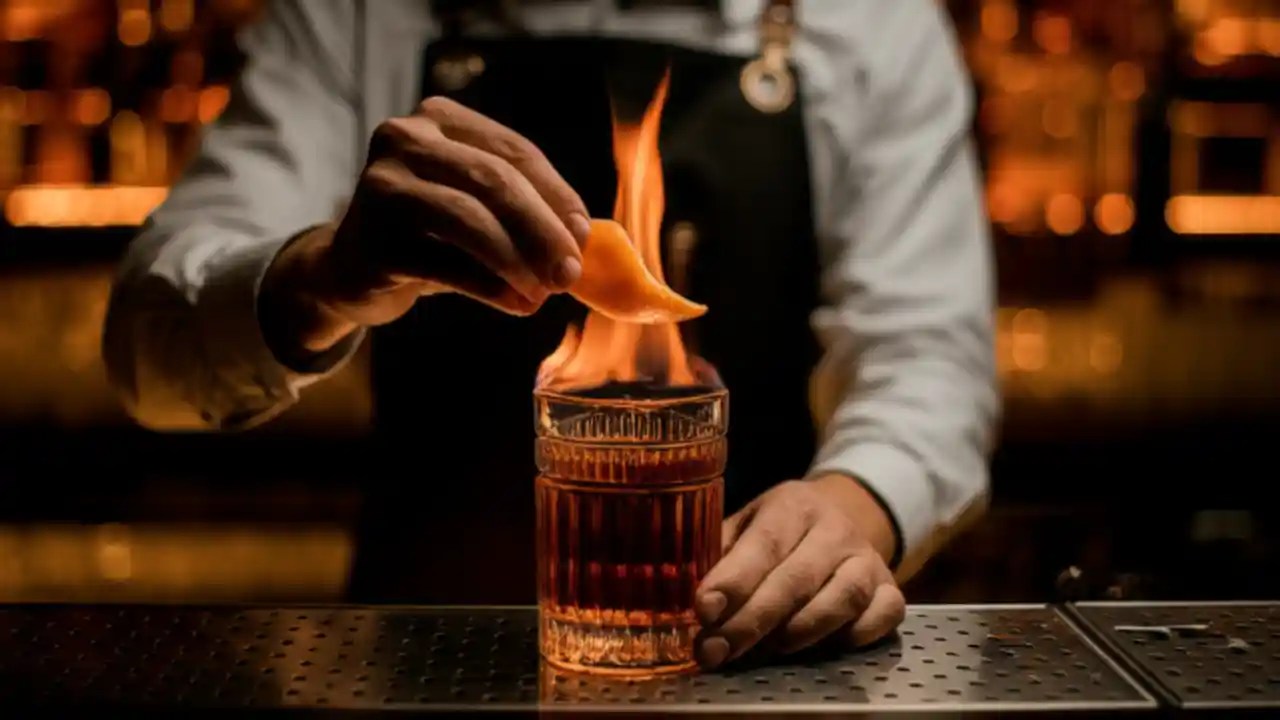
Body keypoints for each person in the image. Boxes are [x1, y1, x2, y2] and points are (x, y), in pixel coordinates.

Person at [102, 0, 997, 670]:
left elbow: (929, 358)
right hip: (420, 663)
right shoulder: (353, 13)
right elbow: (151, 356)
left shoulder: (874, 22)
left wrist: (852, 507)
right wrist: (325, 275)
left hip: (745, 662)